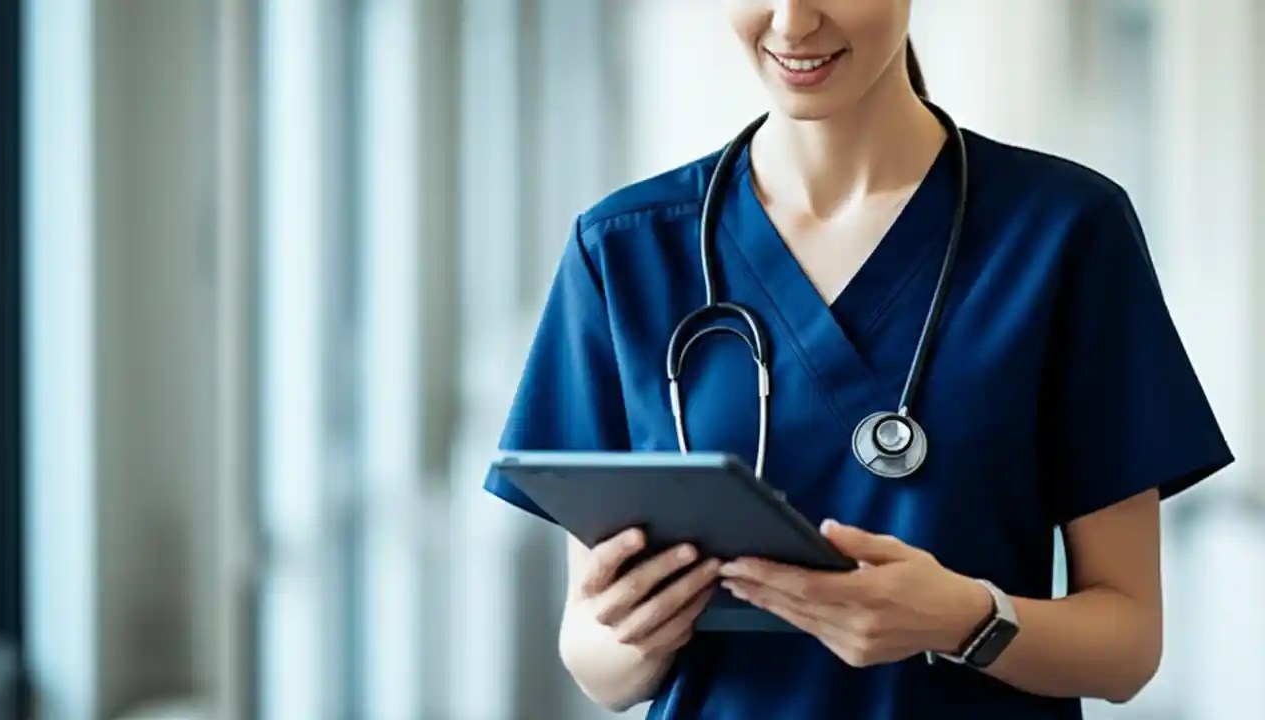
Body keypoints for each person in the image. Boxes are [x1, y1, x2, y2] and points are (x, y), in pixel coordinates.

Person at [481, 1, 1235, 718]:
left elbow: (1128, 646)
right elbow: (593, 658)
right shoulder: (625, 250)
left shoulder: (1063, 232)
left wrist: (964, 621)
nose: (793, 22)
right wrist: (635, 636)